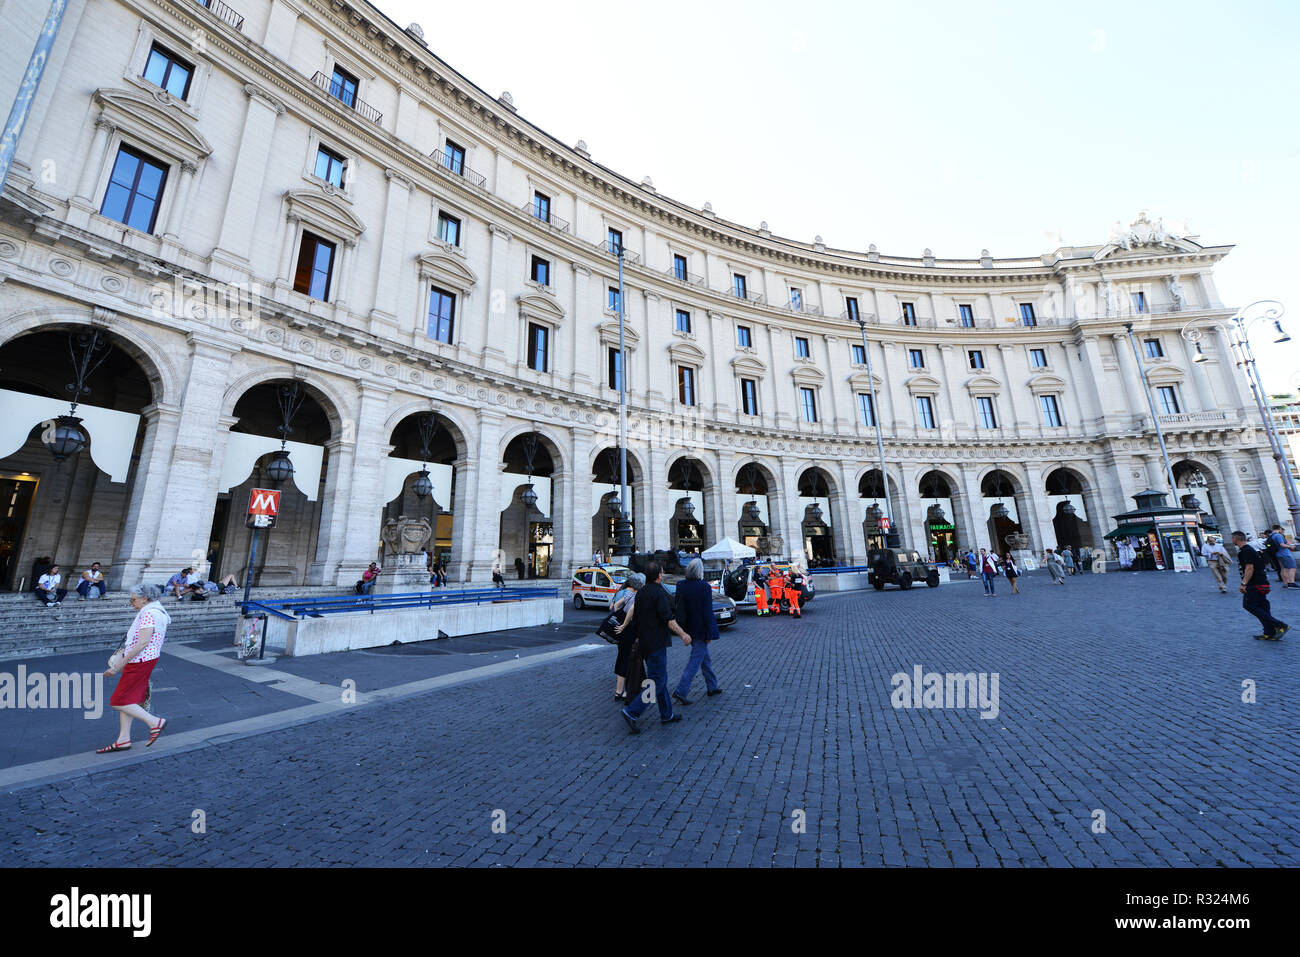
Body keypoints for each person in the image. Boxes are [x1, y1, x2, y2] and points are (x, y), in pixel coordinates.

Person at [97, 584, 171, 753]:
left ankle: (155, 722)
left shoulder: (147, 613)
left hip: (140, 660)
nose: (132, 603)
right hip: (147, 659)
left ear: (145, 598)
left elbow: (142, 642)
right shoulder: (157, 611)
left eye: (134, 599)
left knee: (119, 700)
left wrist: (117, 667)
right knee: (129, 699)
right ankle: (123, 739)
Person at [619, 562, 691, 734]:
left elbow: (635, 618)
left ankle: (667, 714)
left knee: (660, 678)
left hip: (644, 643)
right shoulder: (659, 593)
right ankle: (633, 711)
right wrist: (683, 634)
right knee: (655, 682)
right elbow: (668, 619)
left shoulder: (641, 592)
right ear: (659, 576)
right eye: (662, 572)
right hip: (656, 643)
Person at [671, 559, 721, 705]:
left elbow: (678, 606)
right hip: (700, 629)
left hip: (687, 627)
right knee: (695, 661)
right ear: (700, 571)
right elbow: (707, 612)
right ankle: (681, 690)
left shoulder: (681, 585)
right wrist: (710, 633)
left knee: (705, 658)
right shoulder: (704, 587)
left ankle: (712, 686)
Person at [1232, 530, 1289, 641]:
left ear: (1235, 539)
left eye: (1232, 538)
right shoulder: (1250, 549)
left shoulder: (1245, 551)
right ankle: (1269, 632)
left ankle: (1280, 625)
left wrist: (1244, 584)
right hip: (1261, 581)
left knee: (1249, 605)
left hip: (1254, 583)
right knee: (1262, 607)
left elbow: (1249, 568)